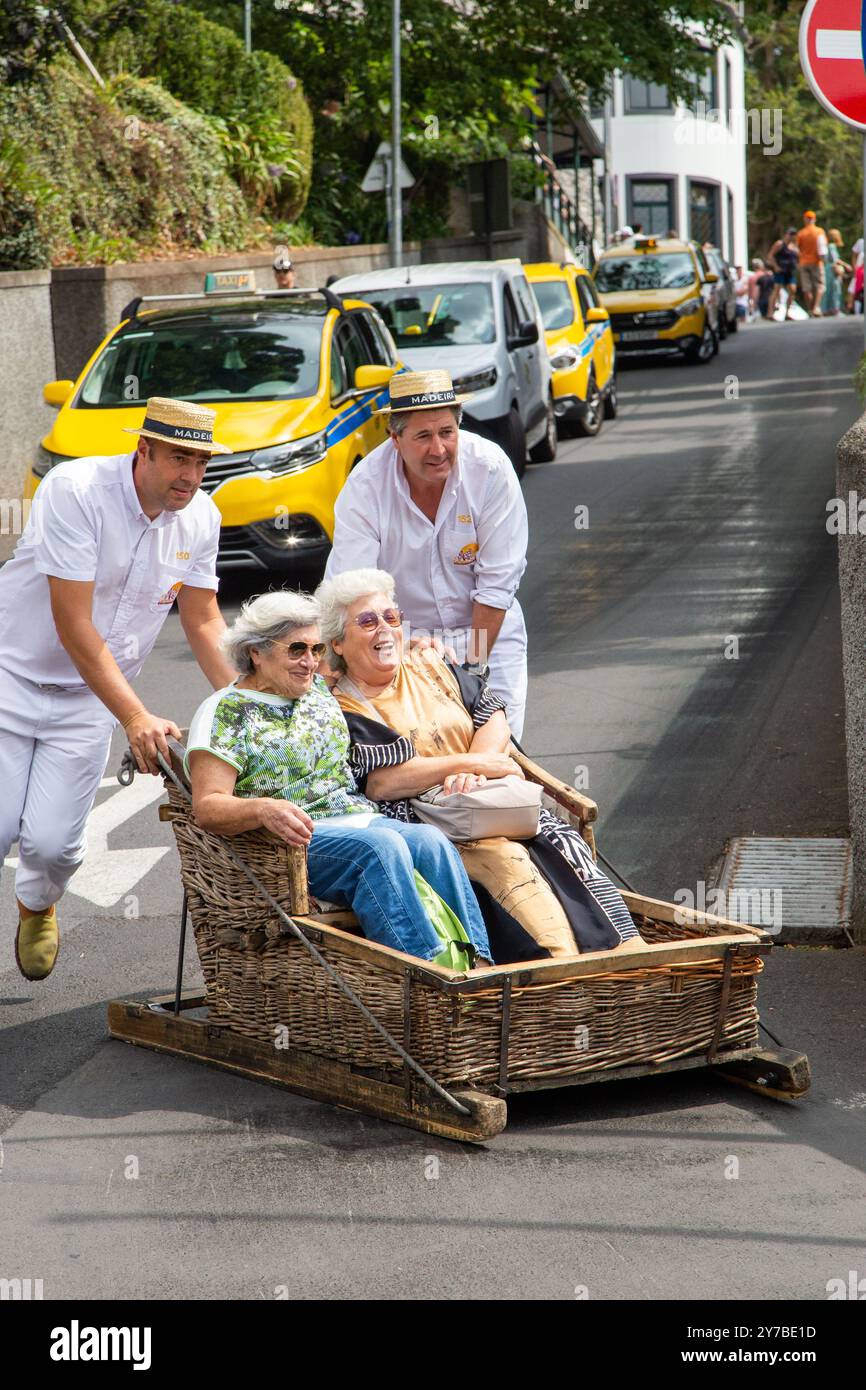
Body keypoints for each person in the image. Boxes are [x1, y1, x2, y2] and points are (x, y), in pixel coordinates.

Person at [0, 397, 236, 981]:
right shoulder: (76, 489)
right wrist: (135, 717)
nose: (192, 475)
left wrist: (249, 705)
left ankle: (36, 904)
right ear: (143, 449)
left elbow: (203, 618)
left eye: (202, 461)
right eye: (180, 458)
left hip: (88, 699)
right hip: (11, 676)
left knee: (54, 848)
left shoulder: (202, 516)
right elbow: (73, 623)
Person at [317, 568, 647, 963]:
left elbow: (491, 714)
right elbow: (385, 783)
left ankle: (623, 951)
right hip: (429, 818)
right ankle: (554, 967)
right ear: (337, 641)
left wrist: (478, 771)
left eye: (391, 617)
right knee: (503, 858)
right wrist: (472, 763)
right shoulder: (341, 705)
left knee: (561, 840)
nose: (384, 630)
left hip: (487, 796)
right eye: (367, 622)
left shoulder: (431, 664)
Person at [186, 592, 491, 970]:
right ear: (256, 652)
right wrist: (263, 808)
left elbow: (366, 651)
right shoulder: (226, 712)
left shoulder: (314, 684)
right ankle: (427, 976)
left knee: (430, 841)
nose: (310, 661)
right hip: (291, 841)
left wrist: (410, 644)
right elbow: (208, 806)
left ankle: (479, 964)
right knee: (379, 848)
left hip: (356, 818)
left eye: (316, 649)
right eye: (296, 649)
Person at [324, 369, 530, 739]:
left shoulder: (490, 468)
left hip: (486, 633)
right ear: (395, 438)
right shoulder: (365, 486)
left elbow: (497, 583)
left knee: (502, 750)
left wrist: (473, 673)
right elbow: (351, 590)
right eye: (423, 436)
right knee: (418, 749)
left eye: (446, 433)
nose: (438, 449)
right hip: (405, 637)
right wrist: (401, 657)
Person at [795, 210, 827, 316]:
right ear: (814, 219)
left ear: (805, 219)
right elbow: (822, 247)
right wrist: (823, 260)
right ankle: (816, 307)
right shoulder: (819, 231)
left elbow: (796, 249)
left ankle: (810, 309)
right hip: (817, 262)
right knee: (819, 285)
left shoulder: (801, 233)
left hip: (803, 263)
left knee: (807, 287)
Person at [766, 228, 799, 320]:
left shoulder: (794, 246)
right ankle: (770, 313)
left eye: (793, 234)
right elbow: (770, 255)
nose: (792, 236)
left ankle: (787, 313)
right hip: (780, 270)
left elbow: (797, 257)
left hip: (790, 271)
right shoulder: (780, 244)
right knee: (777, 290)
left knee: (792, 290)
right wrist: (775, 266)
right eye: (790, 234)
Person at [822, 230, 851, 316]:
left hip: (828, 269)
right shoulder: (831, 246)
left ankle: (827, 309)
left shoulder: (828, 246)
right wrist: (846, 265)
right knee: (835, 289)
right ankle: (835, 309)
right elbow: (835, 260)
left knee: (829, 289)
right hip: (832, 270)